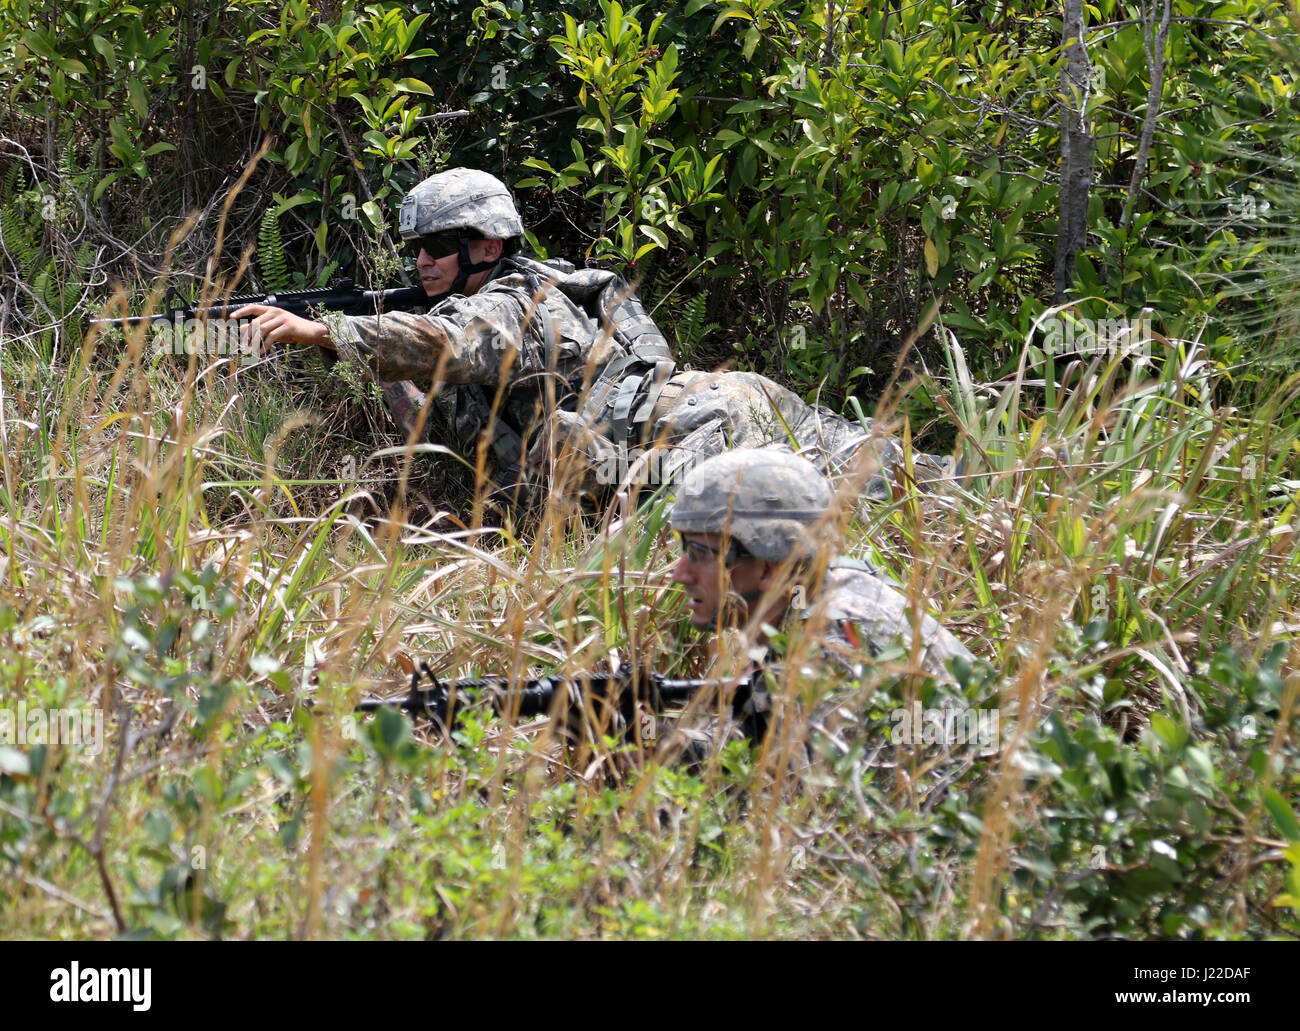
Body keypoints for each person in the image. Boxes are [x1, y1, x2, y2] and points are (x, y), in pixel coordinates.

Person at [234, 168, 952, 511]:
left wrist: (327, 331)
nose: (422, 259)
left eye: (440, 244)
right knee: (893, 473)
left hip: (701, 423)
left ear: (487, 245)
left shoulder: (515, 301)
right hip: (700, 413)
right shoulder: (486, 293)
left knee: (877, 489)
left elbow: (452, 346)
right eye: (416, 247)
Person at [659, 447, 974, 759]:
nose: (680, 574)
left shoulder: (834, 642)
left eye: (700, 554)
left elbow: (808, 790)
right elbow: (761, 730)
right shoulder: (806, 604)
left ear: (770, 568)